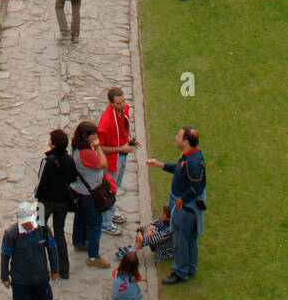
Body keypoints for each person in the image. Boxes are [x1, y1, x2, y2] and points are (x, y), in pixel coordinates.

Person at [145, 126, 206, 285]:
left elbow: (197, 187)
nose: (175, 138)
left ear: (186, 142)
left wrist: (182, 200)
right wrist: (160, 164)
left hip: (184, 209)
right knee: (190, 238)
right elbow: (179, 170)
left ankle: (180, 271)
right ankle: (190, 267)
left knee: (180, 239)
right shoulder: (190, 156)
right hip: (185, 205)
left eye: (178, 137)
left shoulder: (193, 163)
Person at [0, 201, 59, 300]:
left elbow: (52, 249)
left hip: (41, 277)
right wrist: (4, 277)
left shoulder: (42, 229)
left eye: (29, 221)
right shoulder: (11, 234)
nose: (28, 225)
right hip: (21, 281)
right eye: (25, 222)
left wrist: (55, 270)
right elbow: (5, 256)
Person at [35, 128, 77, 281]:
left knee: (39, 231)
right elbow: (72, 177)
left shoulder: (46, 162)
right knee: (59, 234)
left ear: (53, 145)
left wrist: (37, 195)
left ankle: (40, 265)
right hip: (63, 202)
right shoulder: (69, 160)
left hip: (44, 202)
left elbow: (40, 183)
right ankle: (63, 269)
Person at [70, 120, 110, 267]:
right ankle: (93, 257)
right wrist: (98, 147)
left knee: (80, 217)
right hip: (90, 193)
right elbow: (103, 163)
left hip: (80, 190)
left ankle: (79, 242)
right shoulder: (86, 153)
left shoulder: (75, 147)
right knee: (94, 223)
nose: (95, 136)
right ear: (86, 137)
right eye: (92, 134)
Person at [97, 86, 136, 234]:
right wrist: (119, 149)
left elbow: (124, 128)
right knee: (109, 189)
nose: (122, 106)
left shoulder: (124, 109)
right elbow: (100, 147)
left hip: (122, 154)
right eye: (118, 104)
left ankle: (111, 214)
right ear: (111, 103)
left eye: (123, 101)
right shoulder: (106, 122)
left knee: (115, 187)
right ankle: (106, 222)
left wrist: (128, 141)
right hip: (112, 159)